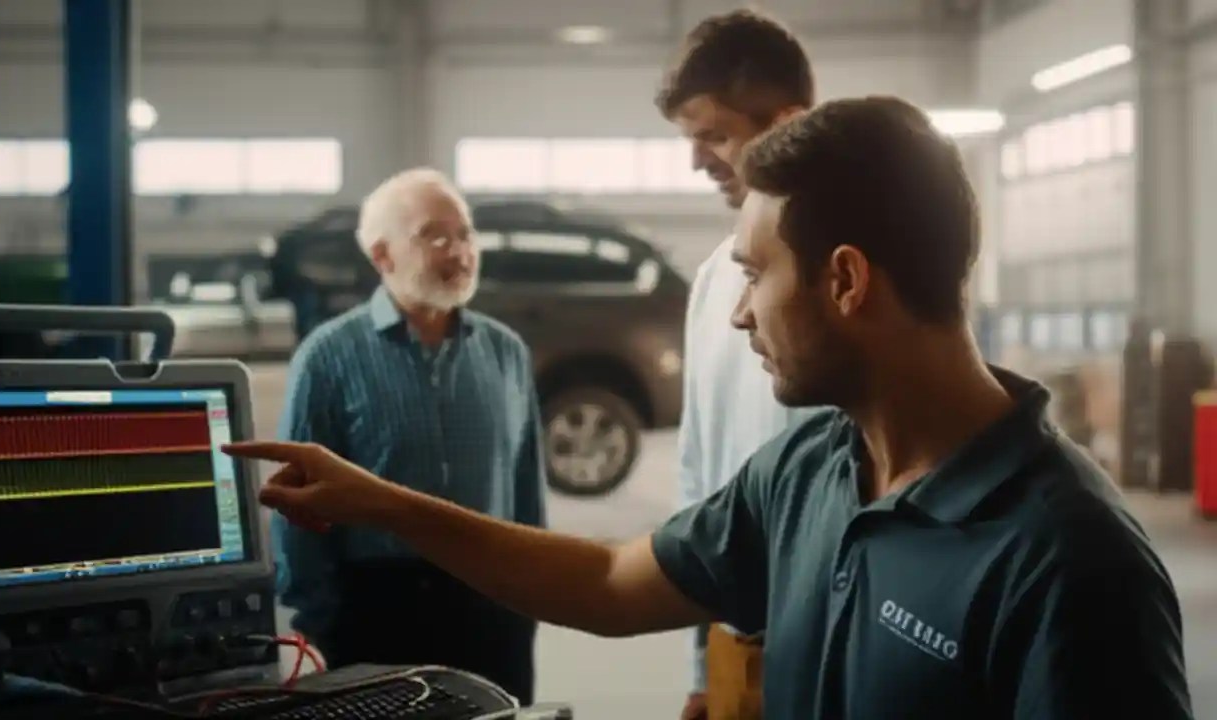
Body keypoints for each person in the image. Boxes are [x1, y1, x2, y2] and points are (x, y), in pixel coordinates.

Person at [231, 99, 1194, 719]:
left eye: (753, 274)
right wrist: (385, 504)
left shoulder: (1070, 563)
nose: (736, 312)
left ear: (847, 281)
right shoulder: (814, 465)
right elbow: (611, 580)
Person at [272, 168, 546, 704]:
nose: (459, 250)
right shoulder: (327, 357)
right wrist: (322, 624)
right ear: (382, 255)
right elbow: (296, 509)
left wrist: (528, 599)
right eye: (434, 235)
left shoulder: (505, 351)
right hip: (376, 614)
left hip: (491, 606)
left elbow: (525, 493)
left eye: (465, 234)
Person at [656, 10, 816, 719]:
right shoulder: (714, 279)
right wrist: (701, 662)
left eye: (715, 136)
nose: (697, 162)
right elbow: (698, 489)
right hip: (733, 641)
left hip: (823, 643)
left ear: (787, 123)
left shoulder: (850, 284)